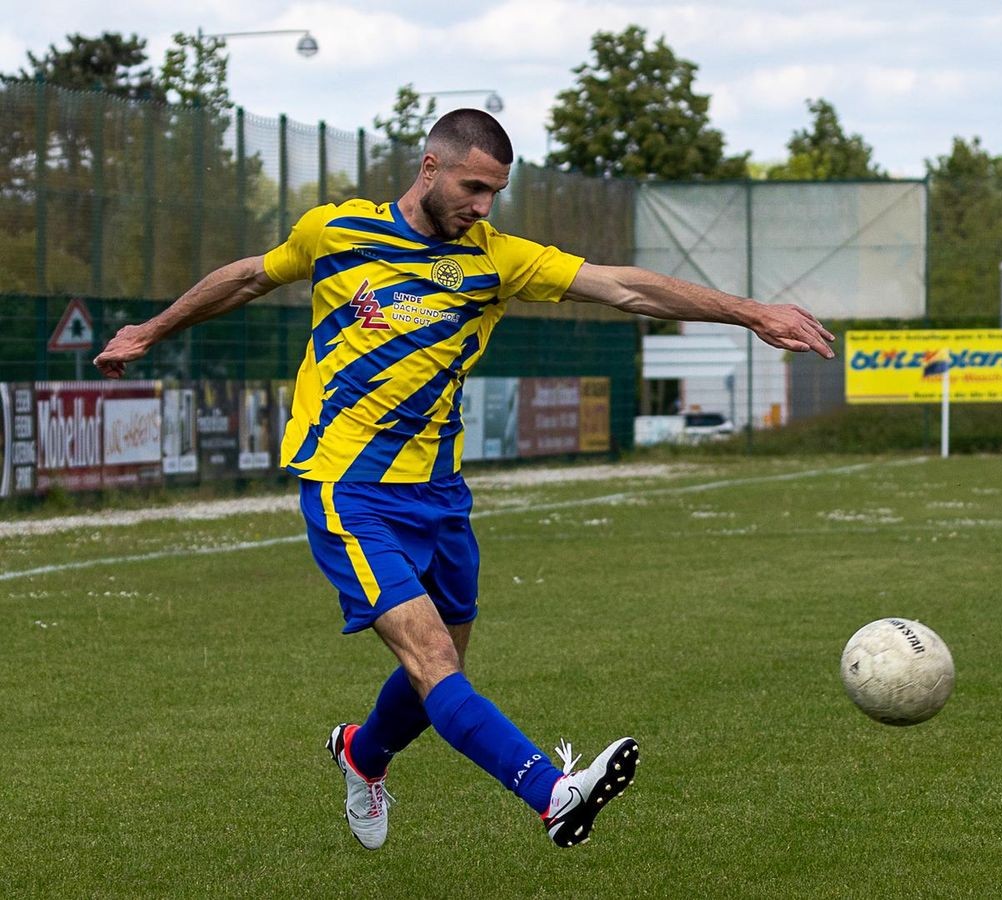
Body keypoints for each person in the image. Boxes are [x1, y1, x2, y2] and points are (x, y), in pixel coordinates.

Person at [93, 109, 836, 851]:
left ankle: (362, 754)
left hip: (440, 495)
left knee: (441, 667)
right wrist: (149, 331)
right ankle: (553, 794)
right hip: (347, 487)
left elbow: (625, 288)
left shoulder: (497, 260)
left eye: (495, 193)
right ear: (430, 168)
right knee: (434, 661)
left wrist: (750, 313)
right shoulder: (337, 231)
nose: (483, 206)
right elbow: (249, 276)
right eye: (473, 187)